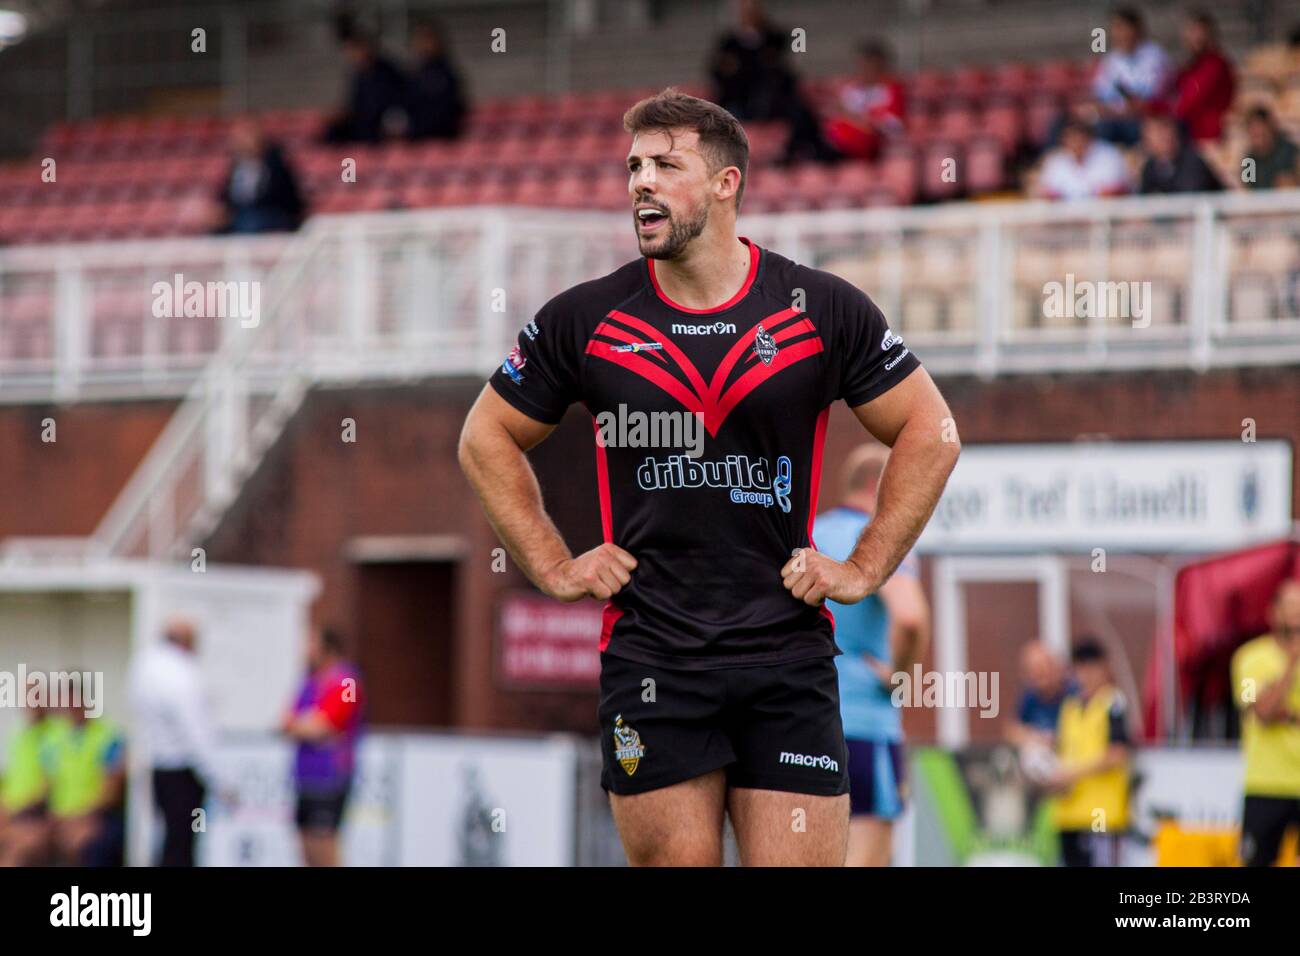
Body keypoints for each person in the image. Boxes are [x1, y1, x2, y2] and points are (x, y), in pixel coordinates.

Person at [458, 88, 960, 866]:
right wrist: (555, 566)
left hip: (787, 660)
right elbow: (485, 437)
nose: (640, 183)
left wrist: (864, 566)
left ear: (726, 184)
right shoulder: (585, 318)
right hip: (653, 658)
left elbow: (932, 432)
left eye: (666, 165)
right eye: (632, 167)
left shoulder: (819, 308)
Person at [813, 444, 930, 867]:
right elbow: (912, 617)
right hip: (864, 724)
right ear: (881, 485)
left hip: (802, 721)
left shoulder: (809, 536)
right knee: (867, 858)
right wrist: (900, 677)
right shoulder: (883, 539)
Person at [128, 615, 222, 867]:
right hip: (183, 770)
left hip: (159, 768)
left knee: (170, 837)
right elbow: (196, 732)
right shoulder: (180, 674)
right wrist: (218, 778)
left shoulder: (146, 665)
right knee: (182, 842)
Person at [1230, 579, 1300, 867]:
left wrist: (1288, 715)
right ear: (1273, 613)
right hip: (1265, 784)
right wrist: (1290, 665)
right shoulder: (1249, 658)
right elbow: (1262, 712)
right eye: (1292, 606)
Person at [1046, 638, 1131, 867]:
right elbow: (1065, 752)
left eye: (1092, 667)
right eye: (1081, 667)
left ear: (1104, 668)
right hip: (1069, 813)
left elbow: (1117, 753)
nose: (1087, 675)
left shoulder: (1113, 702)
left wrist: (1072, 773)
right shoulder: (1070, 707)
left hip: (1101, 813)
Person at [284, 626, 363, 867]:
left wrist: (311, 726)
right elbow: (287, 722)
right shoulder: (310, 682)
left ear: (327, 648)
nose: (306, 650)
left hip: (331, 776)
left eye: (312, 643)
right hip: (304, 776)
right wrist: (308, 726)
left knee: (325, 846)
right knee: (306, 846)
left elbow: (328, 725)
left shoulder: (347, 681)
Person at [45, 707, 127, 866]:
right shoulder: (55, 741)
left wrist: (79, 818)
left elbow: (112, 793)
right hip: (63, 818)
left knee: (82, 842)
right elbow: (48, 788)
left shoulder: (107, 737)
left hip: (98, 817)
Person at [1088, 7, 1172, 146]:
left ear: (1135, 29)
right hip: (1114, 120)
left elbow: (1148, 102)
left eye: (1121, 27)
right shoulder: (1111, 60)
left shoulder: (1154, 57)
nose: (1117, 33)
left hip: (1143, 120)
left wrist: (1127, 108)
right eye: (1115, 28)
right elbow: (1100, 98)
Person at [707, 0, 794, 122]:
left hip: (770, 98)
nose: (748, 14)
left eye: (751, 9)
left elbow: (780, 68)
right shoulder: (728, 43)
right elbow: (718, 70)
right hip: (738, 99)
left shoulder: (774, 38)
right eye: (743, 10)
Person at [820, 41, 907, 162]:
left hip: (868, 147)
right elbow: (834, 115)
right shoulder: (850, 89)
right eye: (861, 64)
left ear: (881, 66)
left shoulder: (892, 90)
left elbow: (892, 127)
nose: (864, 69)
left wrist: (855, 118)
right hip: (837, 142)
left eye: (869, 65)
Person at [214, 119, 305, 235]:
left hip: (271, 216)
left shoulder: (275, 163)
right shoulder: (236, 167)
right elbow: (227, 198)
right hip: (239, 216)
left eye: (245, 137)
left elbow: (287, 197)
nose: (240, 142)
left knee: (252, 221)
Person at [321, 31, 408, 144]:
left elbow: (396, 102)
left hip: (381, 123)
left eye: (358, 49)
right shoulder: (358, 76)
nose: (356, 54)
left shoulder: (388, 72)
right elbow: (354, 104)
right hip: (362, 122)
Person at [1006, 641, 1073, 784]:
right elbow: (1012, 729)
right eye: (1034, 671)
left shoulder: (1072, 693)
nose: (1040, 675)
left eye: (1044, 668)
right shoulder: (1030, 697)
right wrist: (1036, 737)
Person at [0, 707, 57, 866]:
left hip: (34, 814)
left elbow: (50, 787)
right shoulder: (20, 737)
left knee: (17, 849)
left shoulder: (55, 735)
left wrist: (16, 810)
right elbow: (10, 779)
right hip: (13, 812)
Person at [1170, 11, 1235, 143]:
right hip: (1188, 127)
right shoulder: (1189, 67)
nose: (1196, 37)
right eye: (1191, 32)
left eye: (1199, 32)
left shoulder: (1215, 64)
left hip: (1205, 131)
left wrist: (1158, 109)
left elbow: (1189, 102)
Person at [1036, 120, 1129, 200]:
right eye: (1071, 137)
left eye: (1080, 137)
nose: (1076, 142)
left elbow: (1119, 190)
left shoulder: (1108, 155)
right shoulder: (1055, 161)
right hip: (1065, 217)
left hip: (1106, 215)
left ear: (1089, 137)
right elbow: (1047, 193)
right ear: (1064, 140)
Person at [405, 21, 466, 141]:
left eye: (426, 39)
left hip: (441, 136)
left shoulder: (445, 73)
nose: (422, 45)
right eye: (419, 40)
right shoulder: (415, 74)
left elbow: (451, 109)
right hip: (417, 137)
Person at [1137, 113, 1222, 194]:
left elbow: (1190, 197)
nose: (1163, 137)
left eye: (1164, 131)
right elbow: (1144, 198)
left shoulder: (1193, 161)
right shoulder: (1150, 167)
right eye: (1155, 133)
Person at [1242, 107, 1300, 190]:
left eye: (1261, 133)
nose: (1257, 133)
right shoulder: (1248, 160)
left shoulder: (1290, 151)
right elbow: (1246, 191)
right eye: (1254, 134)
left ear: (1270, 128)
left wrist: (1293, 184)